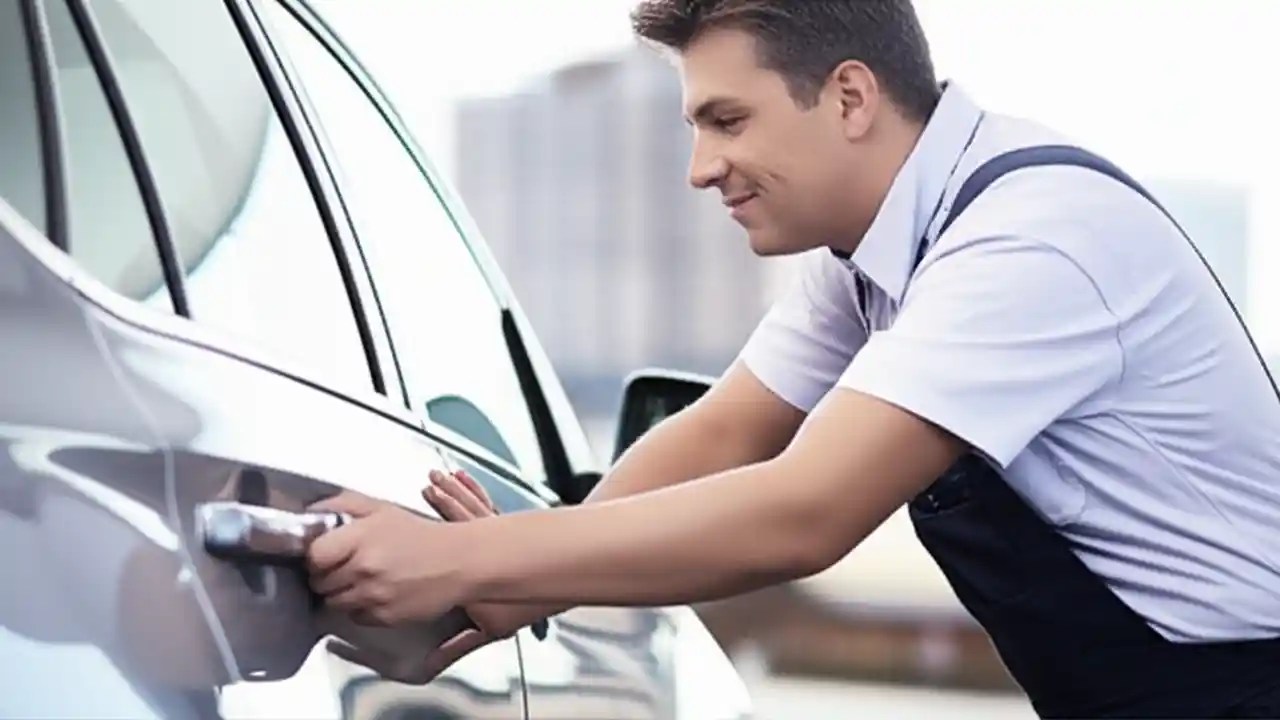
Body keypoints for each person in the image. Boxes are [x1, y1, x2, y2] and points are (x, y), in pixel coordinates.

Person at [304, 0, 1280, 716]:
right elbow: (724, 433)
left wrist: (459, 557)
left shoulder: (1028, 243)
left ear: (848, 96)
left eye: (725, 120)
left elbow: (800, 513)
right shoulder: (873, 258)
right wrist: (505, 585)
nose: (699, 169)